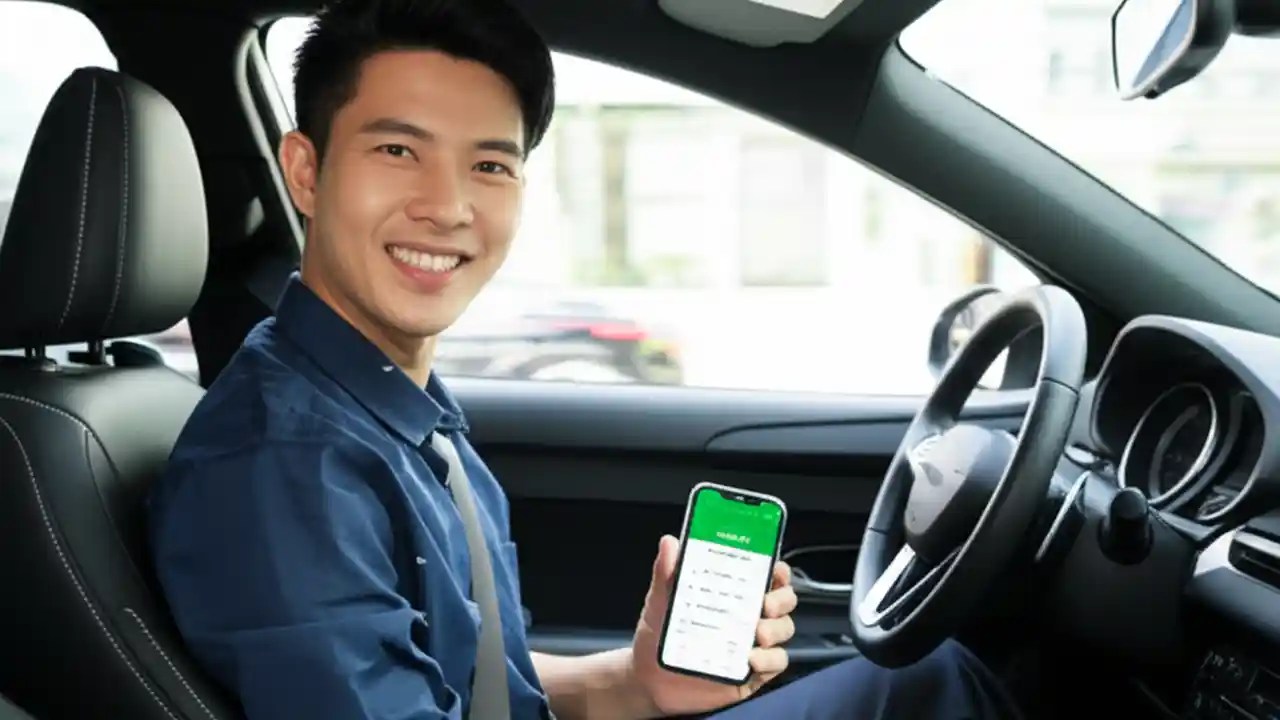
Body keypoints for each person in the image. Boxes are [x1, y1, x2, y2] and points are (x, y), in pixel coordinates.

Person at [146, 0, 1025, 717]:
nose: (447, 207)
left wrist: (634, 681)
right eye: (397, 150)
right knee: (934, 692)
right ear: (306, 170)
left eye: (490, 166)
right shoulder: (283, 463)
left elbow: (475, 686)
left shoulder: (385, 407)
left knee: (923, 683)